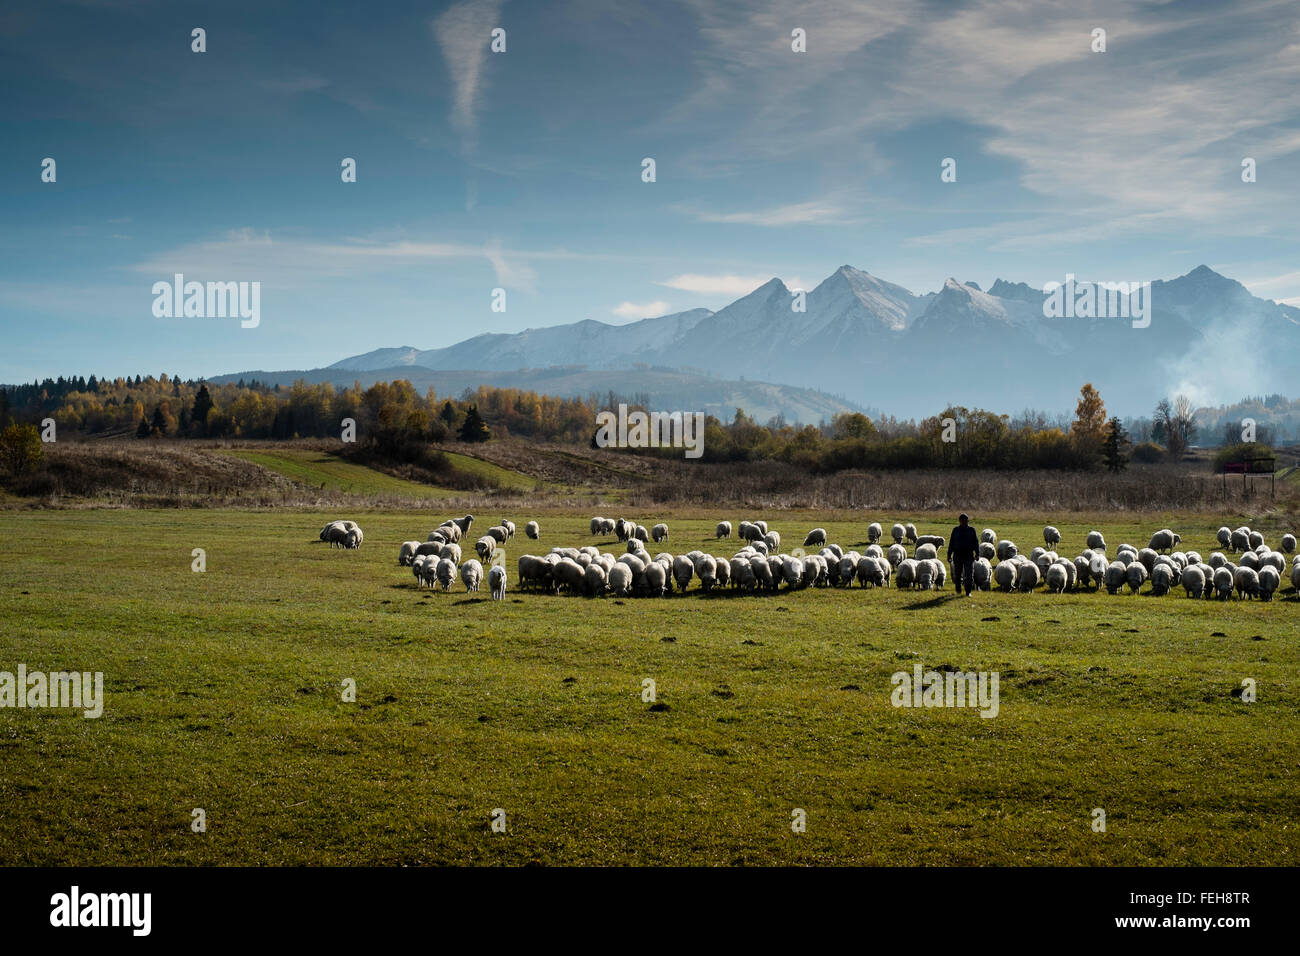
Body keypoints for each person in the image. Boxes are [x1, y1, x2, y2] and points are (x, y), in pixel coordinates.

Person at [947, 512, 978, 597]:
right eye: (962, 520)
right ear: (959, 521)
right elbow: (951, 543)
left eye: (966, 520)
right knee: (957, 574)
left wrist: (977, 553)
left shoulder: (971, 530)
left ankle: (968, 591)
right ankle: (958, 590)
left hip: (968, 555)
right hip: (957, 555)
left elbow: (976, 542)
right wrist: (949, 555)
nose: (964, 522)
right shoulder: (955, 530)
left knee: (969, 574)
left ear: (968, 521)